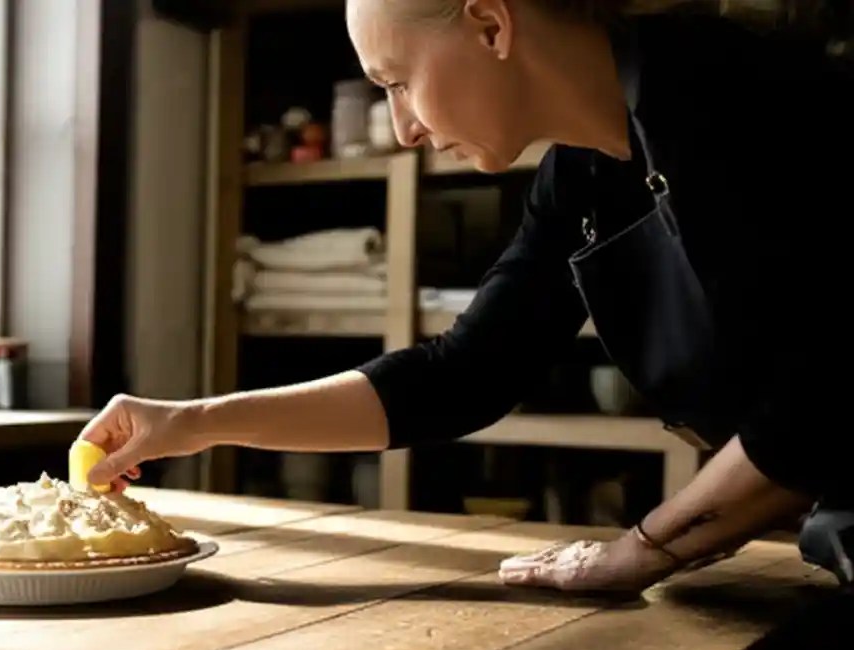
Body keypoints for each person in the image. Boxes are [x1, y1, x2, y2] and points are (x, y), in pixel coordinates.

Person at [79, 0, 853, 594]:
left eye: (398, 81)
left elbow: (820, 399)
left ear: (489, 24)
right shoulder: (580, 176)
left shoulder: (740, 91)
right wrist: (196, 422)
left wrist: (640, 550)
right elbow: (462, 375)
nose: (402, 130)